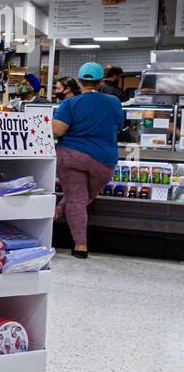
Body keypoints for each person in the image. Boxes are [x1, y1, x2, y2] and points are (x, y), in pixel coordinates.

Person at [52, 62, 125, 259]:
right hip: (104, 159)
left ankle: (80, 246)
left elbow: (58, 130)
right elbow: (118, 125)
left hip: (71, 155)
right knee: (82, 198)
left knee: (77, 199)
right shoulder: (113, 102)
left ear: (78, 80)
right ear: (101, 80)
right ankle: (59, 211)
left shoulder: (70, 103)